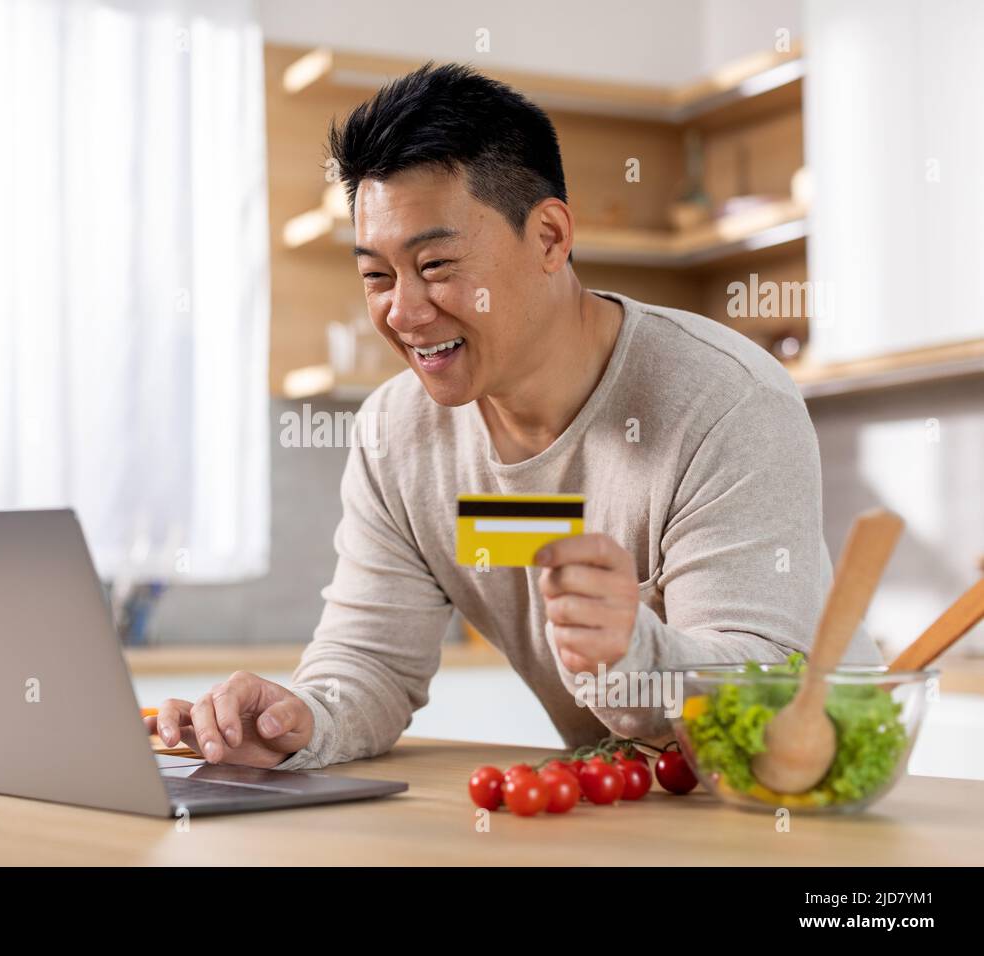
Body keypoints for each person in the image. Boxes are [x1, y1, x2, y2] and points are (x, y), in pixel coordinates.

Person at [144, 62, 876, 769]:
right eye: (376, 275)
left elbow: (763, 686)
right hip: (626, 813)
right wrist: (299, 722)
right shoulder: (396, 435)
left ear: (550, 238)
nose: (402, 310)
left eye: (435, 266)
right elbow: (368, 662)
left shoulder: (724, 401)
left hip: (797, 802)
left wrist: (635, 654)